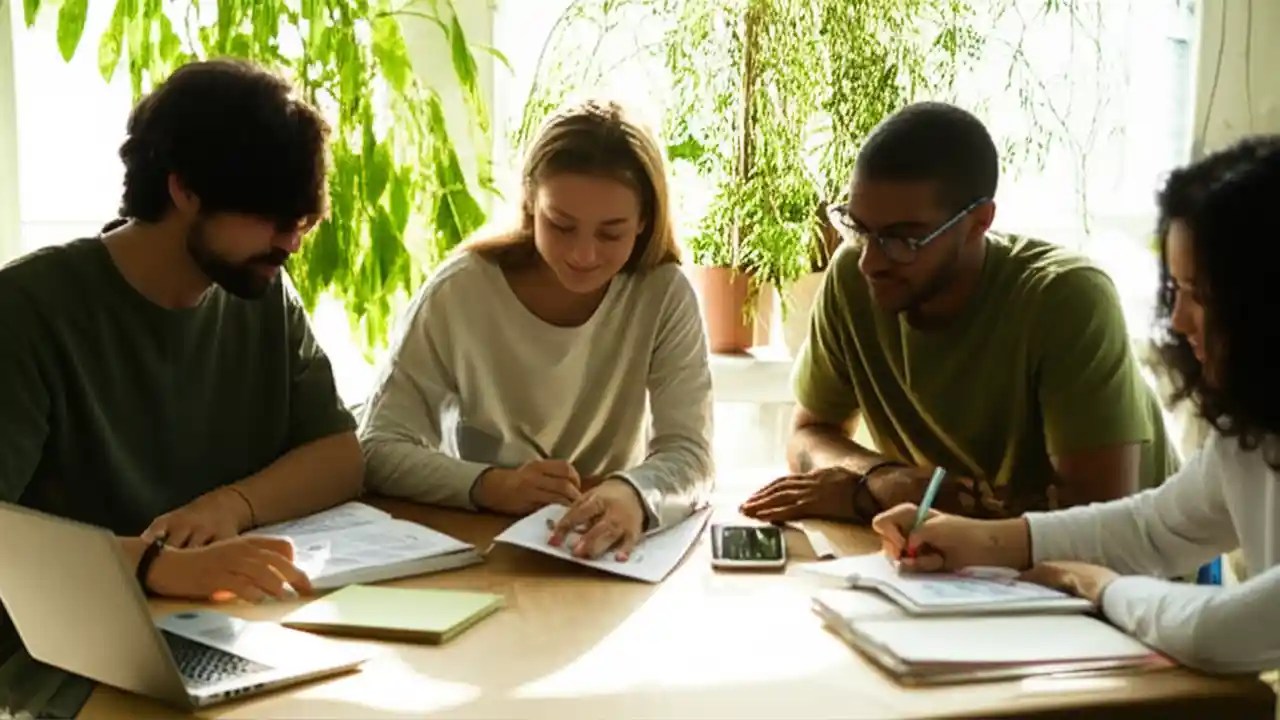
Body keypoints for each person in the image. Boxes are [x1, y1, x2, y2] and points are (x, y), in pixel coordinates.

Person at [871, 137, 1280, 674]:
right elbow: (1155, 528)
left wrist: (1101, 586)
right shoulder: (1252, 429)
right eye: (1175, 290)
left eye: (1200, 295)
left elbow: (1218, 632)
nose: (1178, 320)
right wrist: (976, 540)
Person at [0, 59, 362, 604]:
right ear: (185, 190)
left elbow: (338, 457)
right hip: (63, 639)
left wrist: (231, 504)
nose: (291, 244)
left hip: (226, 620)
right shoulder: (27, 310)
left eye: (302, 224)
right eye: (274, 220)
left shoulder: (258, 292)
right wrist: (152, 565)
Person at [742, 102, 1174, 525]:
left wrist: (873, 496)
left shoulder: (1067, 299)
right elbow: (809, 434)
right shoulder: (854, 280)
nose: (871, 261)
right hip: (963, 568)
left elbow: (1097, 525)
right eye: (859, 229)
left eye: (903, 239)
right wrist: (883, 478)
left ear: (978, 222)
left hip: (1139, 577)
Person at [360, 100, 713, 560]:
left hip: (604, 548)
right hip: (475, 539)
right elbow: (377, 448)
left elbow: (691, 454)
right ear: (529, 202)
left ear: (645, 221)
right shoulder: (461, 290)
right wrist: (489, 485)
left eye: (611, 233)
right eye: (561, 225)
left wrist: (634, 495)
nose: (583, 255)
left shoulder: (663, 294)